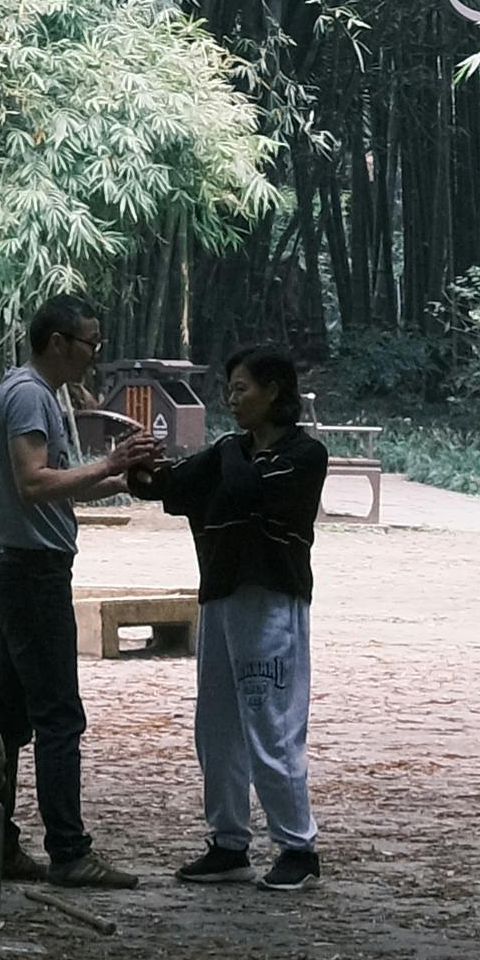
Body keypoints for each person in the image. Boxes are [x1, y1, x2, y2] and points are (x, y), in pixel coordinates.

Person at [128, 342, 327, 883]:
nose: (232, 400)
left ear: (274, 392)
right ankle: (228, 841)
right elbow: (166, 488)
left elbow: (242, 490)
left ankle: (297, 848)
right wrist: (139, 465)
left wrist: (220, 453)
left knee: (271, 722)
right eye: (229, 390)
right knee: (216, 725)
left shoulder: (303, 456)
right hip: (219, 597)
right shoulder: (229, 452)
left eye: (242, 389)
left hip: (270, 599)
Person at [0, 296, 141, 886]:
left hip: (23, 568)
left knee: (8, 716)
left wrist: (127, 478)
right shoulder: (29, 395)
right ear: (55, 342)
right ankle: (70, 852)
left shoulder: (42, 394)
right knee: (59, 717)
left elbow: (57, 489)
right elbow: (32, 481)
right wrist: (106, 466)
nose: (95, 355)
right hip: (31, 575)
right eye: (88, 343)